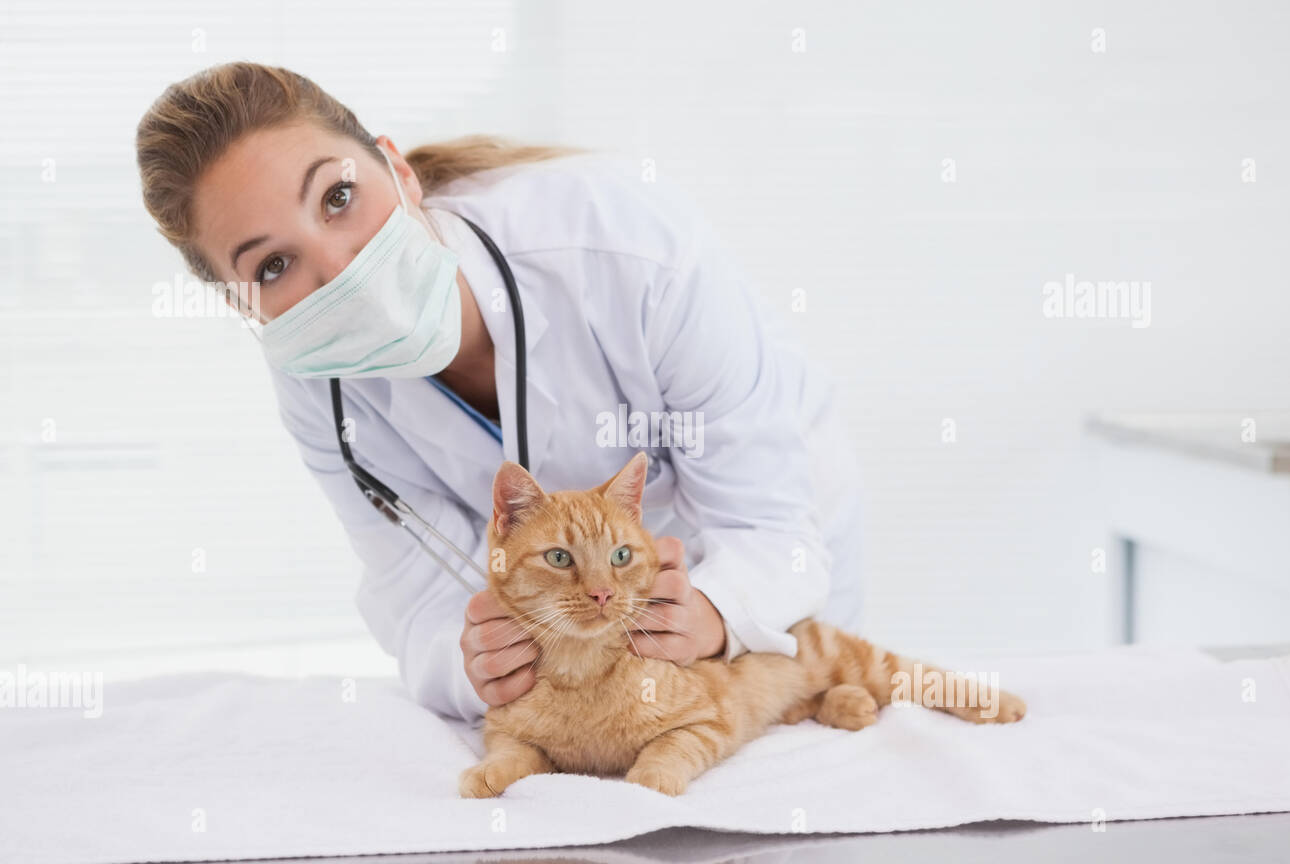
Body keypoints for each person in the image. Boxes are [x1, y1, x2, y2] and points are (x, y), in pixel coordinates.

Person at [135, 61, 867, 725]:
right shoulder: (316, 390)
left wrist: (716, 607)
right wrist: (476, 663)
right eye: (271, 267)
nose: (340, 269)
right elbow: (419, 600)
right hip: (576, 665)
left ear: (398, 169)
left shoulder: (619, 240)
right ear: (241, 305)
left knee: (813, 730)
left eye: (339, 196)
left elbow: (771, 530)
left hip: (768, 560)